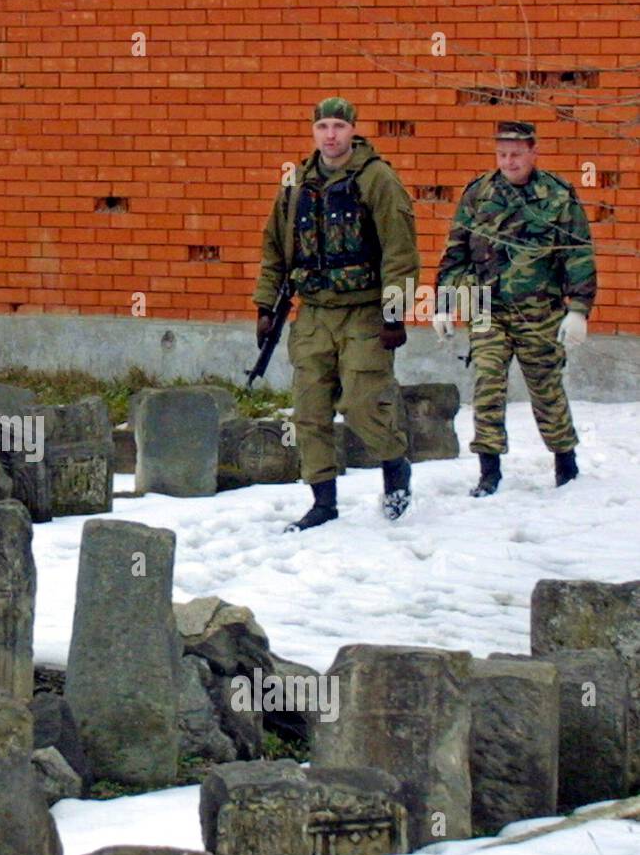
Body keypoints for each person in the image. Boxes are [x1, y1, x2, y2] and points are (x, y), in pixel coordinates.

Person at [253, 97, 419, 531]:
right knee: (309, 410)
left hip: (364, 311)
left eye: (338, 127)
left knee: (364, 403)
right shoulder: (295, 185)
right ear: (314, 132)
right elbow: (274, 247)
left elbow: (400, 253)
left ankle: (395, 466)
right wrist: (265, 305)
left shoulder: (376, 178)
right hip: (313, 313)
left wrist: (394, 313)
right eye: (323, 126)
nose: (330, 135)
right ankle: (323, 501)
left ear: (352, 131)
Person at [433, 121, 596, 496]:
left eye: (516, 154)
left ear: (533, 152)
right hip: (487, 307)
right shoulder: (478, 194)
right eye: (502, 154)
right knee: (487, 384)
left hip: (540, 311)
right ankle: (488, 470)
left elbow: (578, 254)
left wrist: (579, 309)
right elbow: (455, 252)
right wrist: (443, 304)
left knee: (546, 388)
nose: (508, 161)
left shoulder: (557, 195)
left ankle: (565, 462)